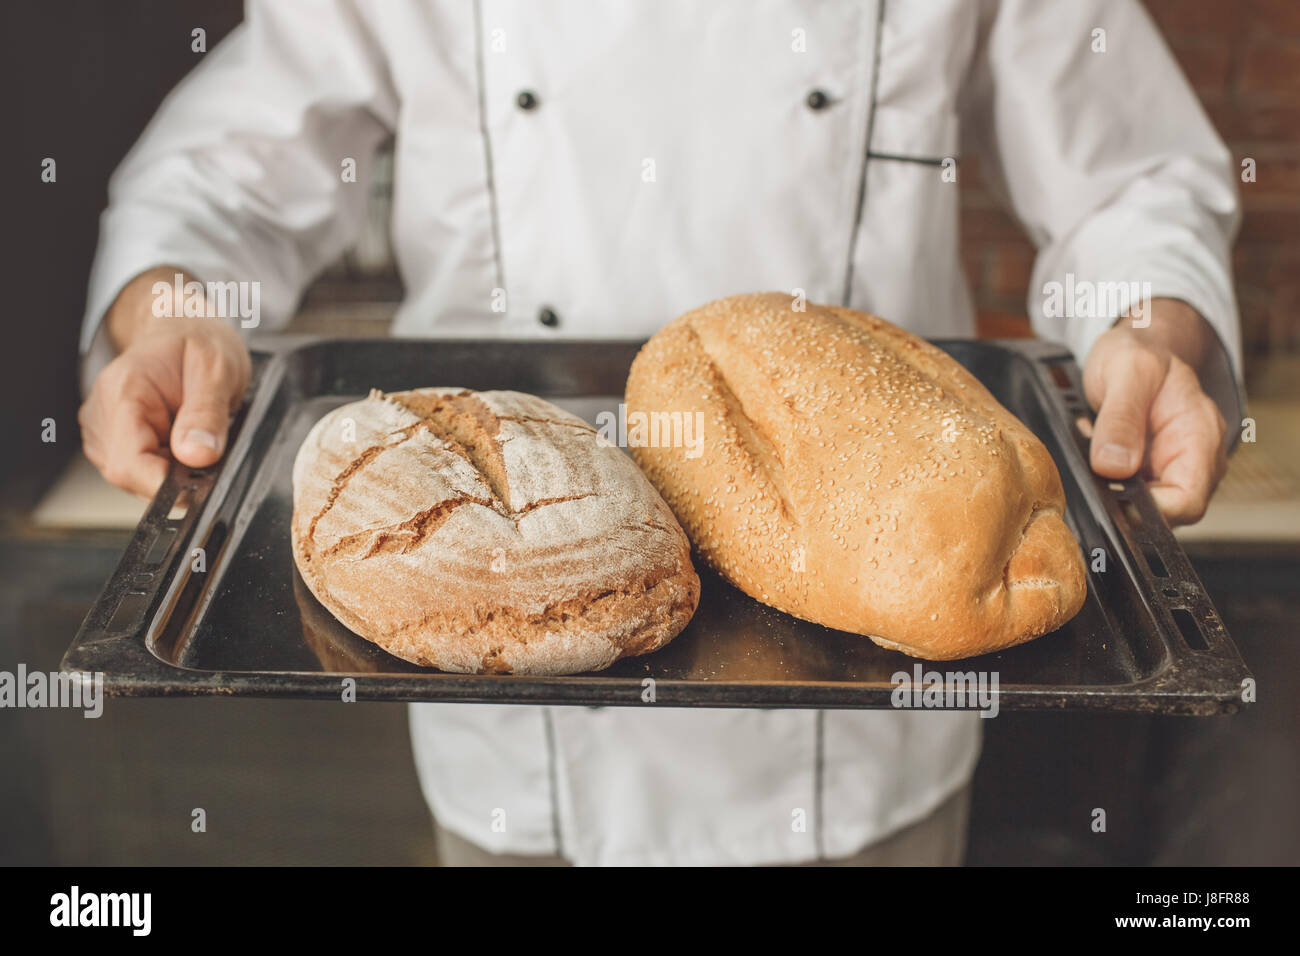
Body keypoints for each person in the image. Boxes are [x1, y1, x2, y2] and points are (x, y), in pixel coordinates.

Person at [78, 1, 1242, 866]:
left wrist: (1151, 329)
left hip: (871, 744)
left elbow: (1128, 175)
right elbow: (227, 171)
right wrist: (174, 305)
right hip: (508, 738)